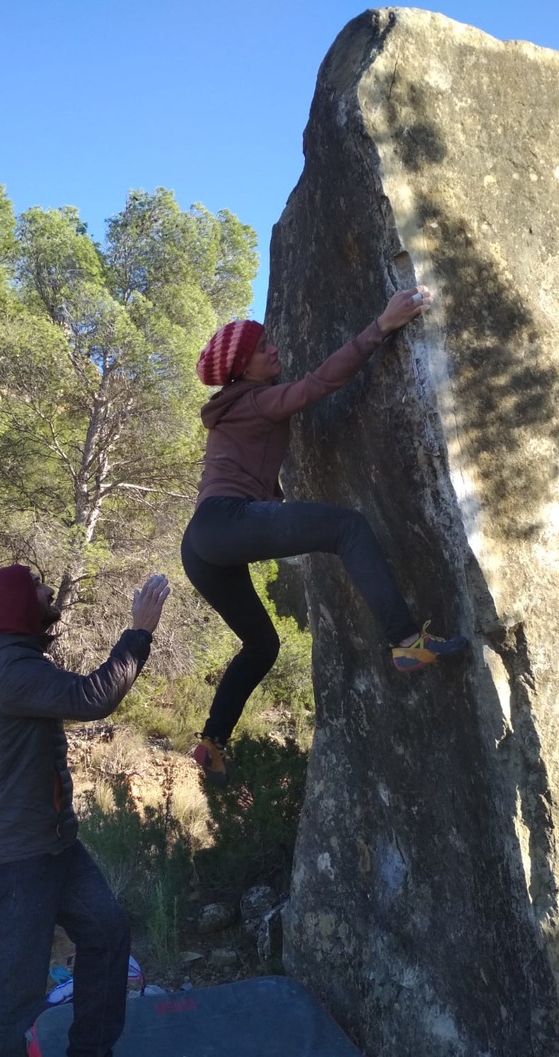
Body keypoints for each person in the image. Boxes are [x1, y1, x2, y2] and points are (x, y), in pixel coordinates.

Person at [181, 287, 467, 787]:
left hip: (202, 545)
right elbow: (316, 385)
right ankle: (405, 641)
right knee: (347, 527)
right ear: (244, 368)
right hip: (226, 522)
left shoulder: (231, 408)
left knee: (262, 645)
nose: (274, 350)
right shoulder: (257, 400)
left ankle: (211, 742)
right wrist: (381, 326)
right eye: (263, 349)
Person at [0, 564, 170, 1057]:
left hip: (53, 845)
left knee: (106, 931)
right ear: (16, 607)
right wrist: (139, 632)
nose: (50, 592)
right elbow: (93, 697)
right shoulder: (8, 670)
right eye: (39, 588)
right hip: (19, 856)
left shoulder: (19, 662)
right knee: (14, 998)